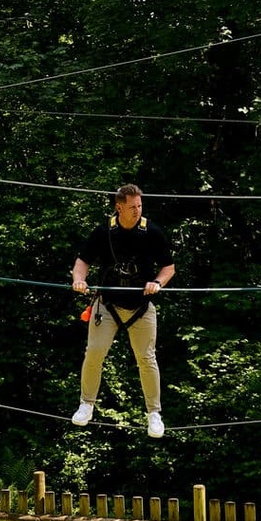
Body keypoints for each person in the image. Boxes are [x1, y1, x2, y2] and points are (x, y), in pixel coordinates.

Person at [71, 184, 175, 438]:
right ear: (119, 207)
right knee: (94, 352)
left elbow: (169, 268)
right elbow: (82, 262)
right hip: (107, 305)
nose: (137, 211)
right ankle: (86, 404)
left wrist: (157, 283)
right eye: (132, 207)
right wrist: (79, 279)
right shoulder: (104, 231)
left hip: (141, 307)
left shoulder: (152, 232)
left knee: (146, 358)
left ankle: (154, 414)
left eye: (140, 206)